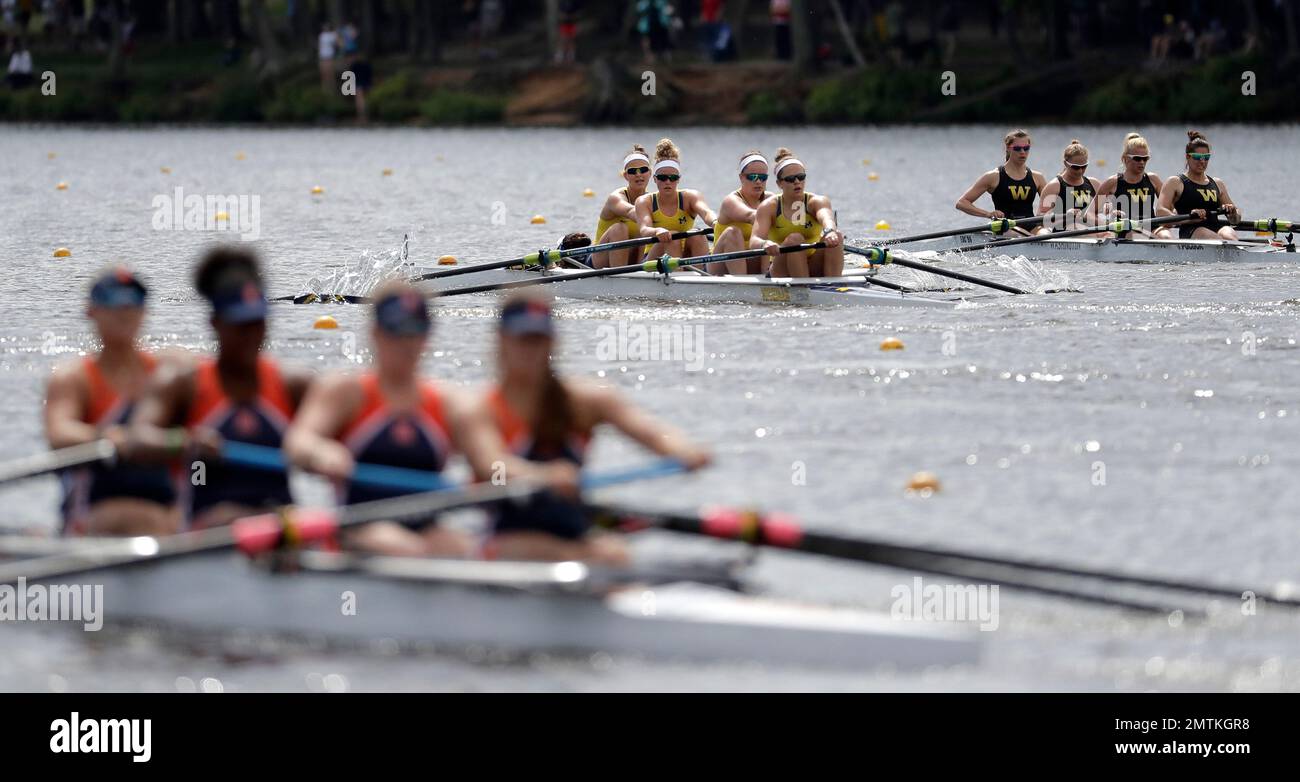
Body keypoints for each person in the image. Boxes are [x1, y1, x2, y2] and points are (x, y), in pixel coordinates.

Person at [284, 282, 579, 558]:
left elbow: (490, 464)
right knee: (400, 545)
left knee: (466, 548)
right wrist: (322, 453)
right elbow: (299, 440)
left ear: (427, 335)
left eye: (415, 330)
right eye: (396, 330)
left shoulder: (448, 403)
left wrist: (540, 476)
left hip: (427, 529)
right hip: (359, 525)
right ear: (375, 333)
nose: (406, 342)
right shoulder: (346, 392)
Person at [480, 292, 711, 565]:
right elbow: (494, 468)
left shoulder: (585, 402)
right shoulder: (480, 408)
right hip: (506, 537)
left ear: (554, 342)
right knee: (582, 554)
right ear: (501, 341)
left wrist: (682, 450)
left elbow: (650, 432)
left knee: (614, 554)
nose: (532, 350)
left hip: (571, 531)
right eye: (523, 340)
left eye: (539, 339)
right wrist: (540, 476)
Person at [129, 246, 313, 529]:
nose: (251, 335)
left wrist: (318, 450)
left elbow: (340, 438)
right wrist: (185, 442)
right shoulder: (182, 384)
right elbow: (137, 439)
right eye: (241, 325)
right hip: (207, 529)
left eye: (258, 323)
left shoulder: (293, 384)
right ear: (215, 323)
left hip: (281, 531)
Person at [44, 267, 179, 536]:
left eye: (133, 302)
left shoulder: (171, 372)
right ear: (91, 311)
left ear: (144, 311)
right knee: (128, 518)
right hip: (94, 515)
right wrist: (106, 437)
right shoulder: (73, 378)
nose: (124, 311)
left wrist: (196, 452)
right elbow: (59, 432)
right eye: (113, 302)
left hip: (166, 514)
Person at [751, 147, 844, 278]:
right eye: (790, 179)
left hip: (813, 264)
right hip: (781, 268)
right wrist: (764, 243)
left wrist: (830, 231)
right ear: (779, 183)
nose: (797, 182)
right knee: (795, 239)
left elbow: (827, 218)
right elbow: (754, 240)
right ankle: (803, 287)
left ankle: (834, 284)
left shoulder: (817, 201)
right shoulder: (769, 207)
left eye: (801, 177)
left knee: (837, 235)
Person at [634, 138, 715, 265]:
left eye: (673, 178)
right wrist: (657, 231)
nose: (668, 182)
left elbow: (706, 212)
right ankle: (680, 273)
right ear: (655, 179)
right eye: (662, 178)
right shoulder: (644, 201)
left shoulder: (691, 196)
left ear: (678, 179)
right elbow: (645, 229)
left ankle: (700, 273)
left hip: (686, 255)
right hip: (654, 258)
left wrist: (715, 222)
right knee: (672, 238)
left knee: (698, 234)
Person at [955, 129, 1048, 234]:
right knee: (1021, 235)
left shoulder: (1037, 177)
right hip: (1005, 227)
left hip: (1031, 226)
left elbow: (1053, 206)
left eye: (1026, 148)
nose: (1022, 152)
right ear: (1008, 148)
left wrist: (1045, 215)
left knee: (1047, 233)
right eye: (1017, 148)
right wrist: (988, 214)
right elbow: (962, 203)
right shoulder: (993, 176)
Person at [1156, 130, 1242, 240]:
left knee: (1229, 233)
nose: (1202, 161)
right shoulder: (1175, 182)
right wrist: (1189, 218)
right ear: (1188, 157)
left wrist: (1233, 212)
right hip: (1192, 231)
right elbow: (1160, 212)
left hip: (1216, 228)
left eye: (1206, 157)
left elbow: (1235, 220)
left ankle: (1234, 248)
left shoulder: (1217, 183)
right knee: (1211, 236)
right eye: (1197, 157)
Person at [709, 149, 773, 275]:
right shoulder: (731, 201)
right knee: (733, 232)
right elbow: (751, 216)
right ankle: (741, 283)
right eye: (752, 177)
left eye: (763, 177)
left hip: (754, 261)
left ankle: (767, 277)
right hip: (720, 265)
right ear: (741, 177)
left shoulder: (770, 199)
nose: (758, 181)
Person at [1096, 132, 1170, 238]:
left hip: (1151, 227)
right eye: (1137, 158)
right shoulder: (1112, 183)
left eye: (1145, 158)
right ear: (1126, 158)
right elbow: (1090, 213)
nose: (1142, 162)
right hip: (1124, 229)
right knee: (1134, 235)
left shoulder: (1153, 180)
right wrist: (1107, 221)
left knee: (1166, 236)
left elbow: (1168, 208)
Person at [591, 144, 652, 269]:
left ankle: (641, 272)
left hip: (632, 258)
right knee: (620, 228)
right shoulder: (616, 198)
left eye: (643, 170)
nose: (638, 174)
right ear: (625, 175)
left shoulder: (652, 199)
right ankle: (620, 275)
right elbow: (630, 211)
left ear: (650, 173)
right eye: (632, 171)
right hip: (600, 259)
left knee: (645, 232)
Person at [1037, 139, 1101, 231]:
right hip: (1064, 231)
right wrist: (1065, 216)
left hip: (1089, 230)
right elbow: (1041, 219)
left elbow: (1105, 212)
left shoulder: (1095, 184)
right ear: (1065, 164)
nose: (1080, 171)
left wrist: (1110, 210)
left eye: (1084, 166)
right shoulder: (1054, 186)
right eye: (1075, 167)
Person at [318, 23, 338, 92]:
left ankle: (332, 88)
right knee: (324, 73)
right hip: (323, 56)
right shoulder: (321, 35)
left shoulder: (332, 35)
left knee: (330, 73)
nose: (325, 28)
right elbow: (320, 45)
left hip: (329, 56)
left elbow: (338, 42)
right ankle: (325, 88)